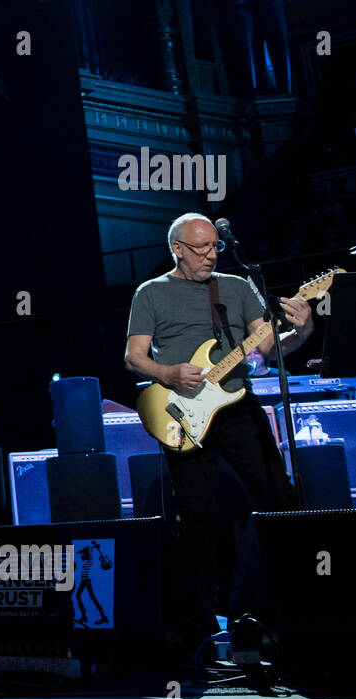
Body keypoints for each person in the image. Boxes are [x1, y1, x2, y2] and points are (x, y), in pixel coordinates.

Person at [124, 213, 314, 618]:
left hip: (237, 408)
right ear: (177, 249)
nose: (211, 255)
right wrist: (169, 373)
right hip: (182, 412)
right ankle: (205, 618)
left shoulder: (237, 286)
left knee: (277, 496)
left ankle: (297, 598)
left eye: (216, 246)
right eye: (201, 248)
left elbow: (263, 346)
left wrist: (300, 333)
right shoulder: (150, 293)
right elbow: (134, 358)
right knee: (197, 515)